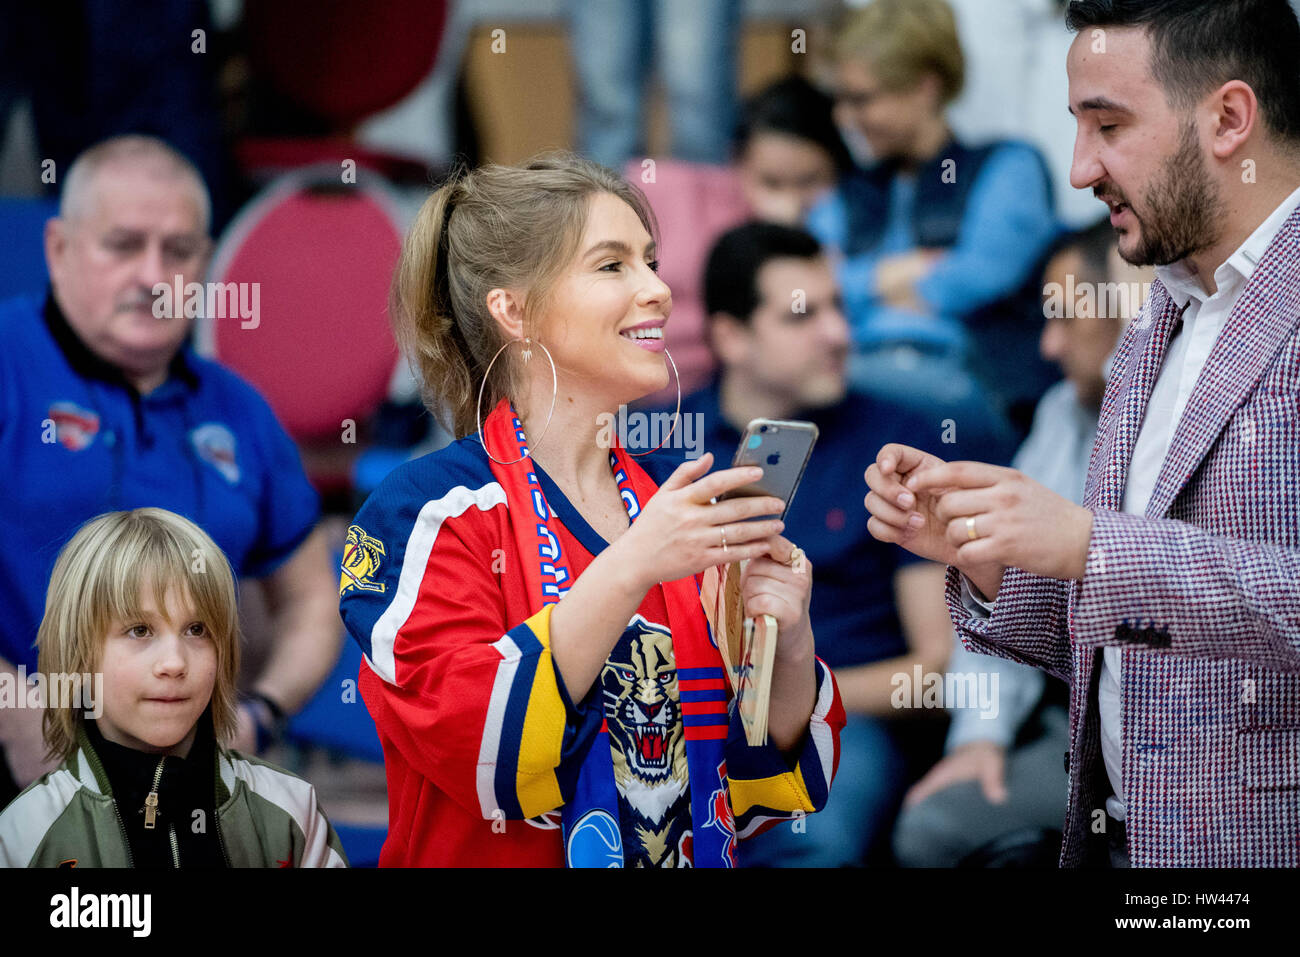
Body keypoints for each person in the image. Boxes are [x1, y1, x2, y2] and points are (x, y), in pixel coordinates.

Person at [865, 0, 1300, 867]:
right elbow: (1121, 627)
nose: (1078, 169)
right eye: (1077, 126)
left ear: (1229, 118)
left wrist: (1089, 545)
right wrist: (988, 555)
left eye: (1108, 125)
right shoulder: (1155, 310)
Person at [338, 152, 846, 868]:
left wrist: (787, 642)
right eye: (613, 266)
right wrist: (635, 562)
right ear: (514, 310)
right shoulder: (428, 511)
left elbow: (759, 793)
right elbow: (483, 750)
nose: (660, 291)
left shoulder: (680, 496)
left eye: (652, 261)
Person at [0, 135, 342, 805]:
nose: (153, 276)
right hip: (18, 762)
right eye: (123, 245)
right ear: (59, 249)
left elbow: (311, 600)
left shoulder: (239, 409)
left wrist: (259, 715)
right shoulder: (8, 363)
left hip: (184, 787)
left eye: (178, 251)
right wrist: (8, 702)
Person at [671, 221, 1011, 866]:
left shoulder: (895, 450)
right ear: (730, 337)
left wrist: (794, 699)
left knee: (805, 834)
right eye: (803, 315)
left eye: (838, 308)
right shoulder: (669, 451)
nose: (838, 334)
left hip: (852, 722)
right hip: (695, 709)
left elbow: (934, 669)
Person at [892, 218, 1140, 867]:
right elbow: (1009, 575)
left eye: (1068, 316)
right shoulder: (1062, 412)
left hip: (1162, 735)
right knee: (930, 826)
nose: (1049, 344)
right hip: (1067, 713)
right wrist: (980, 734)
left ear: (1127, 300)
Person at [0, 508, 347, 867]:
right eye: (139, 630)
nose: (175, 663)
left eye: (197, 630)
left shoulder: (291, 810)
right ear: (80, 652)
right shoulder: (25, 834)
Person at [812, 0, 1059, 441]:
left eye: (862, 99)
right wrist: (894, 275)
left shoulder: (1007, 166)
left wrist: (853, 287)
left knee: (800, 396)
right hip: (849, 373)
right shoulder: (848, 191)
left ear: (925, 87)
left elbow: (977, 279)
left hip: (970, 385)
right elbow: (806, 290)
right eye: (840, 99)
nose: (842, 118)